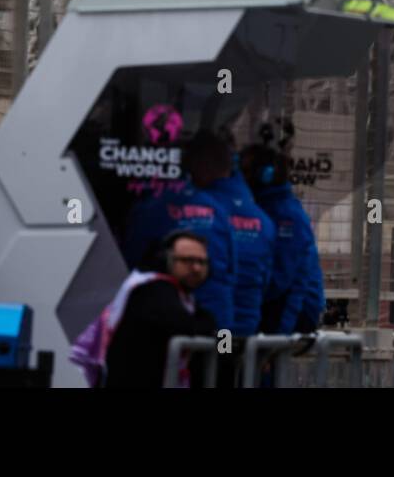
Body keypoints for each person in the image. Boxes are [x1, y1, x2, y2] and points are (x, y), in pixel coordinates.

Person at [123, 130, 237, 332]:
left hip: (173, 319)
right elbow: (232, 267)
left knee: (177, 360)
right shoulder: (218, 210)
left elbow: (131, 261)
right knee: (221, 359)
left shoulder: (151, 207)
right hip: (220, 320)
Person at [103, 232, 218, 388]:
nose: (196, 268)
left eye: (202, 262)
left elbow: (214, 328)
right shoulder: (151, 288)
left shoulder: (183, 296)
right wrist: (223, 338)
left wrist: (234, 347)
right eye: (187, 261)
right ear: (166, 260)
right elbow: (189, 327)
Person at [240, 142, 325, 335]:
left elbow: (284, 279)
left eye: (245, 171)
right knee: (227, 340)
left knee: (231, 340)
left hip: (291, 313)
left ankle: (228, 356)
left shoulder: (286, 216)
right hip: (269, 308)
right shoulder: (265, 209)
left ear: (265, 174)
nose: (241, 178)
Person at [205, 152, 276, 338]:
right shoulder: (263, 219)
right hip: (247, 323)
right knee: (229, 361)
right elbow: (267, 277)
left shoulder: (207, 208)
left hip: (218, 324)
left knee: (219, 360)